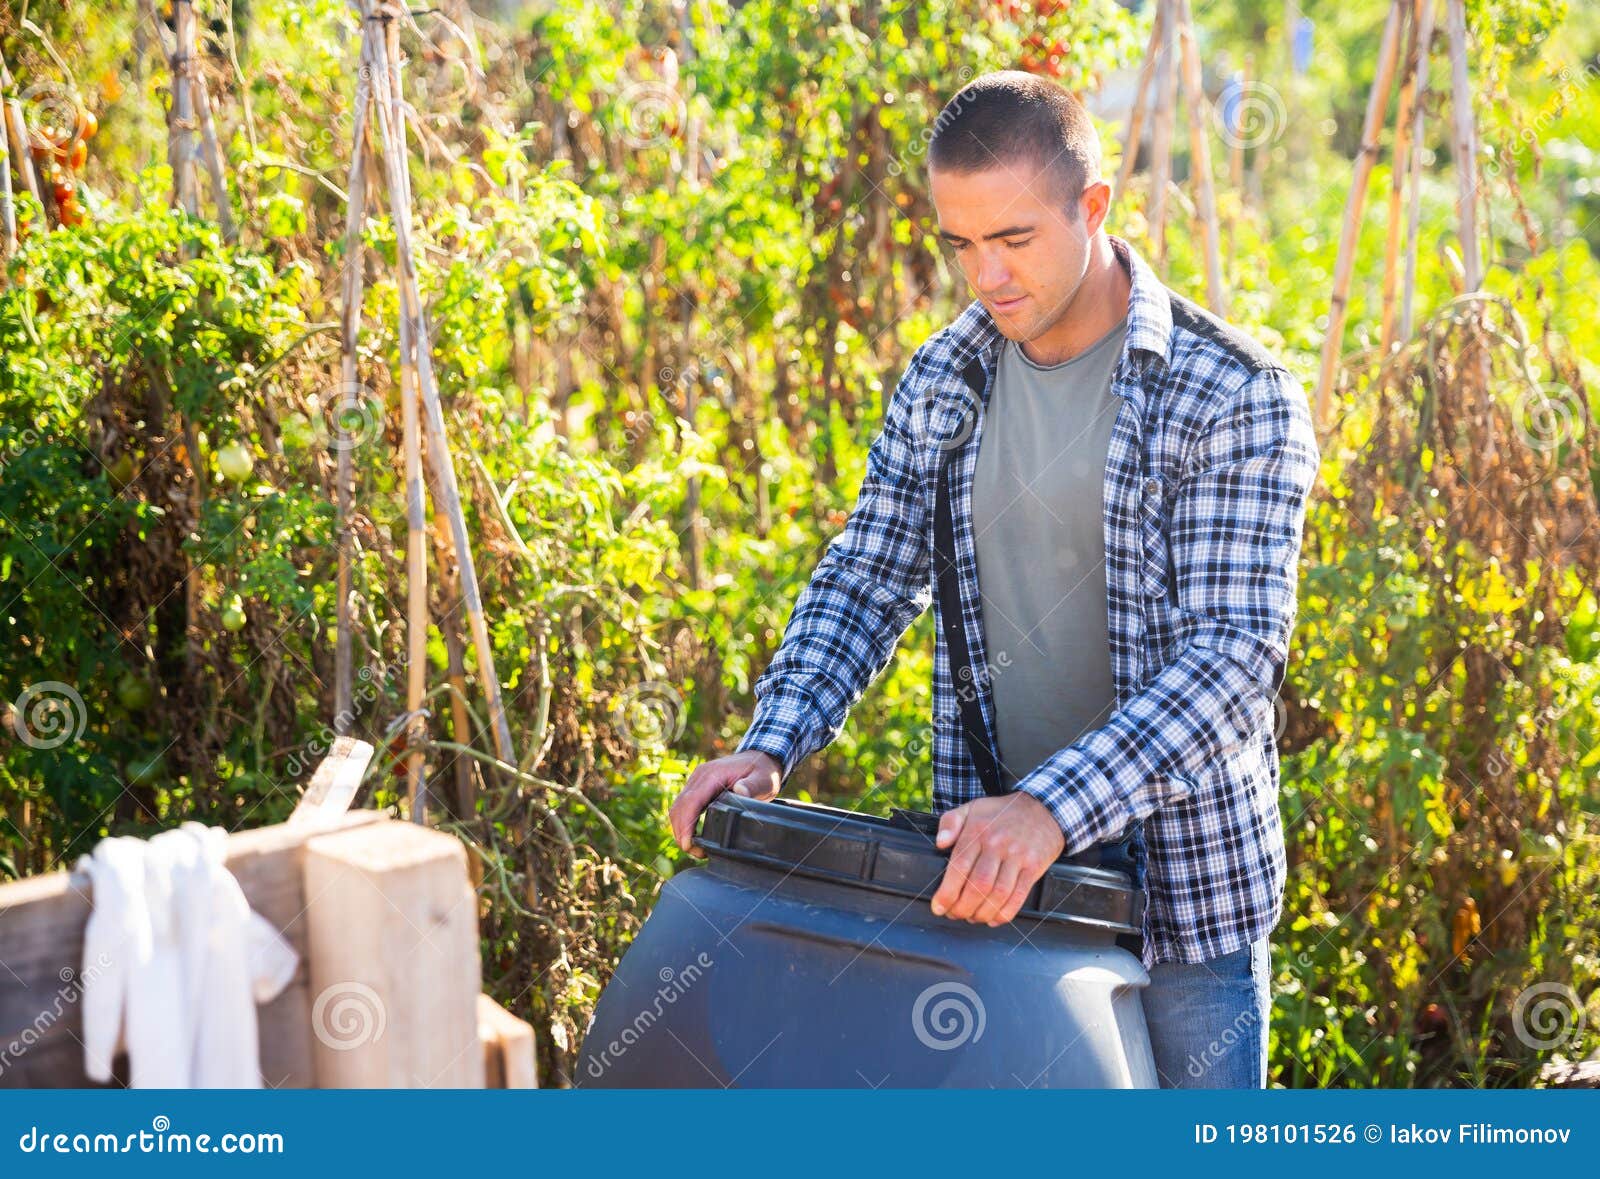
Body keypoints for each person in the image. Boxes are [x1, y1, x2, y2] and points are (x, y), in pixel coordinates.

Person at [668, 70, 1320, 1089]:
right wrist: (771, 743)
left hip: (1184, 908)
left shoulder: (1231, 394)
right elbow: (869, 575)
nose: (986, 275)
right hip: (994, 894)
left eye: (1013, 240)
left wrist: (1049, 809)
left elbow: (1233, 665)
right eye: (960, 244)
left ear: (1092, 208)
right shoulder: (947, 377)